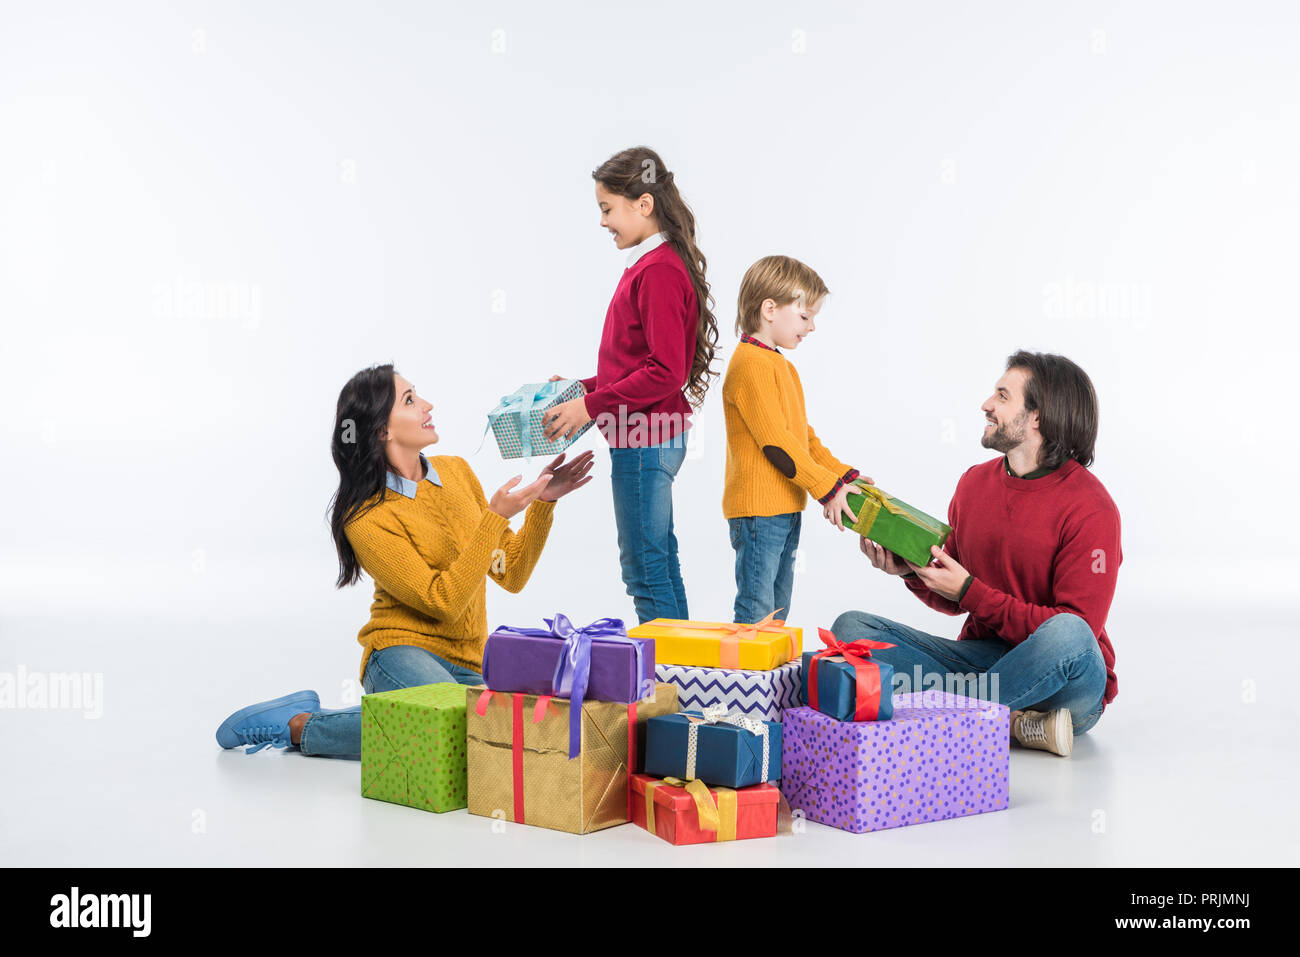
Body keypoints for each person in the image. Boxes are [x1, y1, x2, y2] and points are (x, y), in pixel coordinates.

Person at [214, 363, 594, 757]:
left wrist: (543, 504)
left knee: (496, 737)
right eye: (410, 400)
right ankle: (300, 726)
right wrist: (494, 517)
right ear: (383, 430)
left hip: (469, 661)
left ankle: (387, 715)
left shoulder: (459, 473)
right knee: (454, 732)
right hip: (402, 652)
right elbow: (442, 602)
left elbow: (509, 573)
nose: (428, 405)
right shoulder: (365, 516)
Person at [832, 350, 1121, 757]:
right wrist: (911, 572)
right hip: (984, 664)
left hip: (1065, 682)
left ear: (1038, 416)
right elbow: (955, 594)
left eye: (1003, 397)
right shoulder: (974, 484)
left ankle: (952, 719)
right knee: (853, 628)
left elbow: (1079, 630)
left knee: (1069, 633)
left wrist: (971, 592)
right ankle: (1013, 721)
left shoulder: (1092, 506)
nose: (986, 405)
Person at [541, 146, 719, 624]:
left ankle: (667, 682)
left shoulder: (658, 269)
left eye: (606, 209)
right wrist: (583, 388)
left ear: (643, 204)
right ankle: (685, 674)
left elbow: (666, 371)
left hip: (646, 439)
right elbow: (638, 363)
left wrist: (591, 406)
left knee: (644, 570)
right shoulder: (652, 265)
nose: (602, 222)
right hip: (646, 435)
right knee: (657, 562)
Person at [720, 255, 872, 624]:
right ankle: (748, 681)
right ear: (769, 309)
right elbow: (777, 445)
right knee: (757, 611)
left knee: (777, 610)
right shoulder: (750, 365)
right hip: (758, 511)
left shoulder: (781, 366)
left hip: (786, 506)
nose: (812, 327)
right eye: (805, 317)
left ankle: (770, 680)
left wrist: (842, 476)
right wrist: (827, 488)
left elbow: (802, 438)